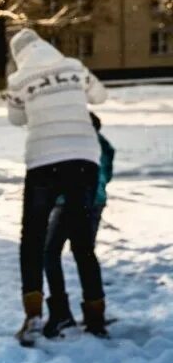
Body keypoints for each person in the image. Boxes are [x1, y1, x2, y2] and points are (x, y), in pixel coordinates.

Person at [6, 29, 109, 345]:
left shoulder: (19, 80)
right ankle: (95, 317)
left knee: (33, 238)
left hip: (43, 160)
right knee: (81, 242)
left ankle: (33, 314)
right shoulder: (75, 66)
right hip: (84, 158)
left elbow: (15, 118)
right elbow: (100, 96)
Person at [42, 111, 115, 337]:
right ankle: (95, 316)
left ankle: (60, 314)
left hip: (69, 205)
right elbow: (106, 175)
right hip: (96, 203)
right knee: (84, 254)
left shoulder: (76, 148)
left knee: (50, 253)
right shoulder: (103, 145)